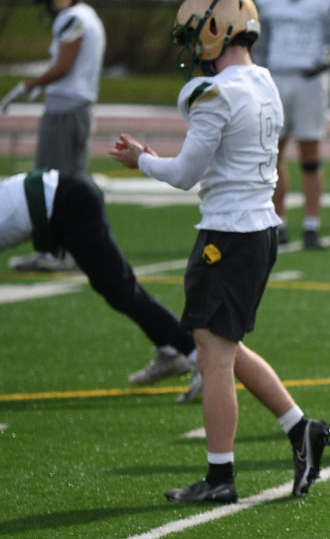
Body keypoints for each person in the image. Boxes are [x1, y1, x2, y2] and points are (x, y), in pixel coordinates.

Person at [108, 0, 330, 503]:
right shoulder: (265, 81)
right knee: (223, 348)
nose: (191, 46)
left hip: (227, 236)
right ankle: (302, 430)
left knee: (212, 359)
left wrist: (141, 158)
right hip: (258, 230)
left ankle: (220, 476)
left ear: (215, 30)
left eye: (194, 34)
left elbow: (186, 174)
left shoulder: (213, 92)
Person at [0, 168, 200, 400]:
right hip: (65, 194)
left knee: (121, 290)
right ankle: (171, 350)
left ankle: (194, 353)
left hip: (70, 199)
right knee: (116, 290)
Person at [1, 0, 106, 273]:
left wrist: (27, 85)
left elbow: (64, 65)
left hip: (65, 111)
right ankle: (72, 252)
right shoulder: (89, 16)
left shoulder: (73, 17)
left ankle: (54, 253)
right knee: (71, 184)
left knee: (47, 185)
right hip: (80, 109)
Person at [252, 0, 330, 250]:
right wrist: (257, 74)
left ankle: (311, 225)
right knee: (272, 153)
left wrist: (321, 64)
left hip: (310, 81)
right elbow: (259, 44)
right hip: (275, 79)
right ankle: (277, 222)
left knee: (310, 155)